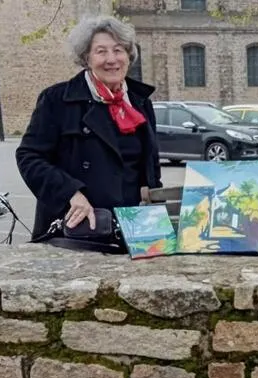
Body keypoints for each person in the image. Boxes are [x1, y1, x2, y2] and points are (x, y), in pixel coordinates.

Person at [16, 14, 161, 243]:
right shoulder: (57, 100)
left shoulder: (140, 102)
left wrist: (154, 201)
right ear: (87, 58)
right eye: (101, 51)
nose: (112, 59)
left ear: (128, 56)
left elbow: (150, 166)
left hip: (134, 227)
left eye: (119, 50)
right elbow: (29, 157)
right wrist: (70, 193)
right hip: (81, 227)